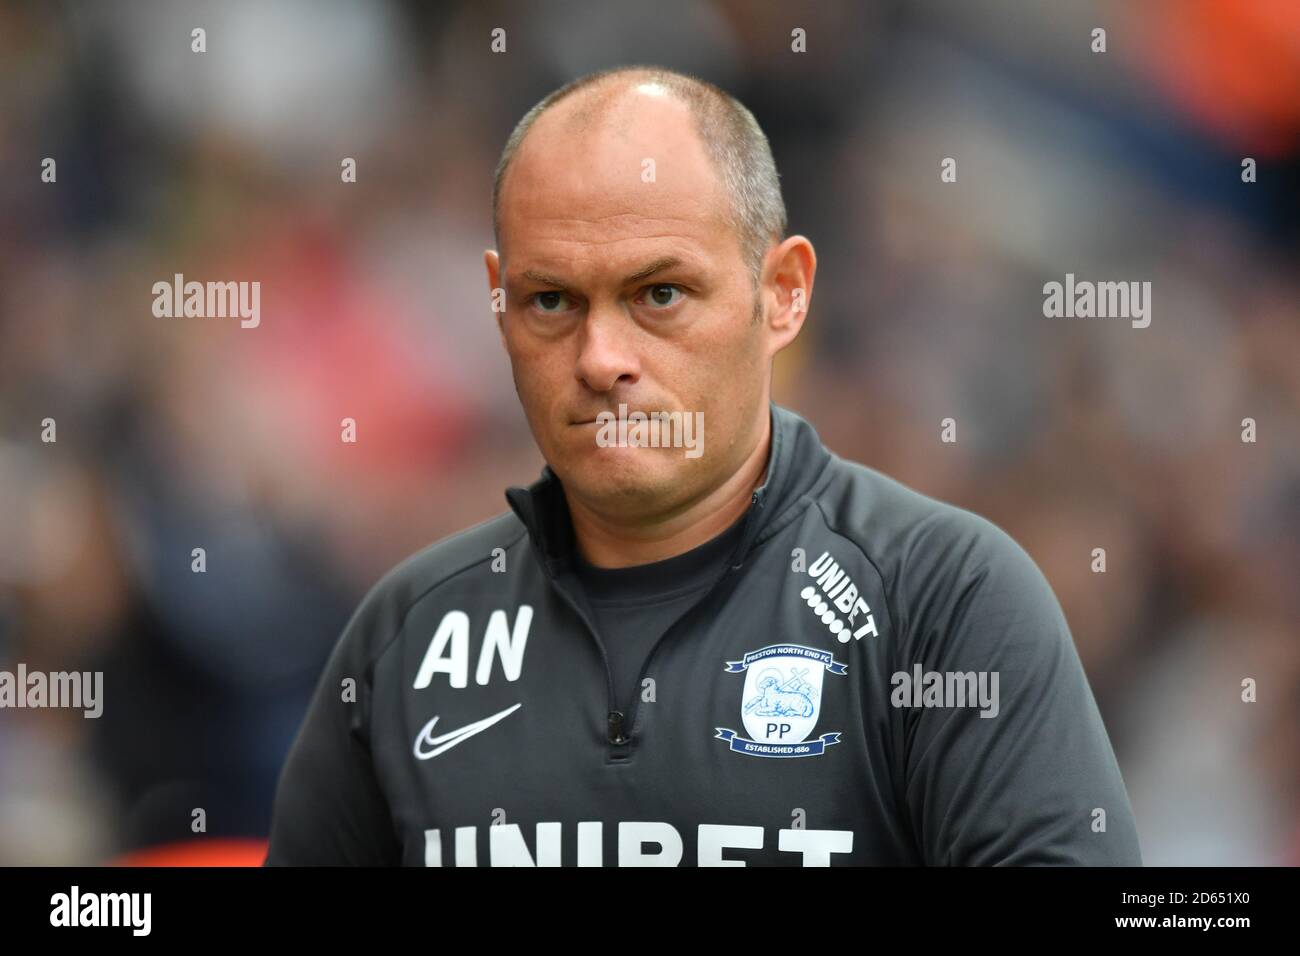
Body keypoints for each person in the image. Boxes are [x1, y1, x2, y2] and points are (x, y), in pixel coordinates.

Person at [264, 65, 1142, 866]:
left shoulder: (943, 603)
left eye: (660, 294)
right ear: (499, 306)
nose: (601, 356)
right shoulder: (408, 640)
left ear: (784, 295)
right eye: (551, 301)